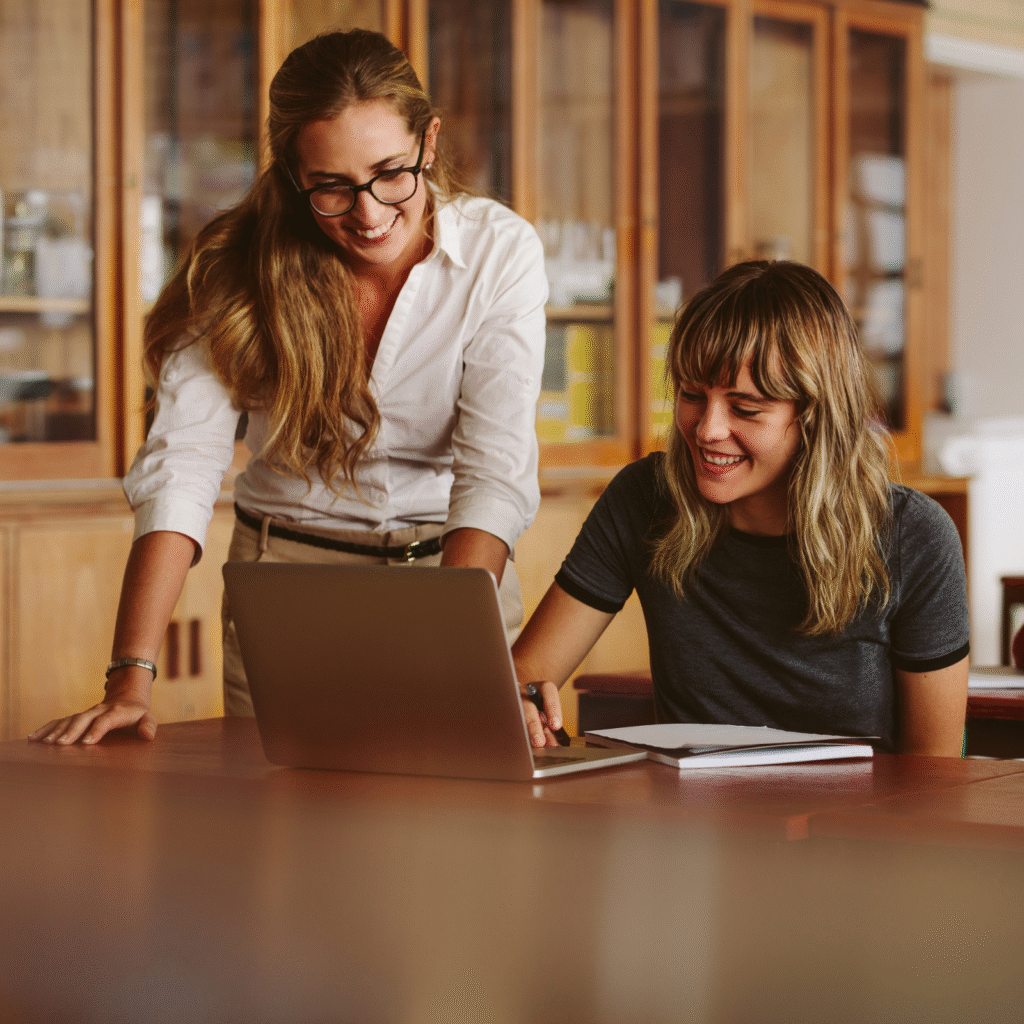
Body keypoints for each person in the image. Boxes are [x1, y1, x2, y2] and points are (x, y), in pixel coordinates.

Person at [30, 29, 546, 745]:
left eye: (390, 173)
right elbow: (180, 466)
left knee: (461, 834)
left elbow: (493, 474)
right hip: (290, 587)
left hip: (454, 579)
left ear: (428, 144)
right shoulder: (235, 267)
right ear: (292, 175)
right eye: (331, 187)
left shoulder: (500, 252)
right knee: (288, 837)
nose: (367, 215)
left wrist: (454, 654)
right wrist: (131, 676)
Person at [515, 260, 969, 756]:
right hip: (690, 828)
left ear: (815, 416)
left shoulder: (914, 536)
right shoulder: (645, 497)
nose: (707, 430)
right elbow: (522, 683)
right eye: (691, 395)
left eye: (745, 408)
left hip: (849, 829)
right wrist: (521, 704)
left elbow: (935, 777)